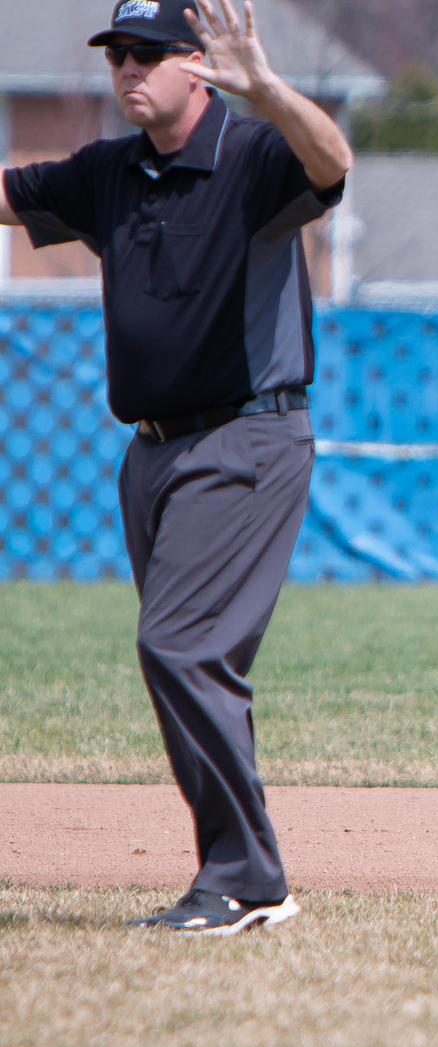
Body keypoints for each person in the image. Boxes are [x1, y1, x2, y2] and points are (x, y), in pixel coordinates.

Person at [0, 0, 352, 932]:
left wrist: (268, 88)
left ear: (196, 65)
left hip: (245, 441)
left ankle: (248, 879)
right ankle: (233, 877)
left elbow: (333, 164)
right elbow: (9, 193)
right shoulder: (111, 173)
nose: (127, 69)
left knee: (181, 646)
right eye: (117, 54)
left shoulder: (253, 154)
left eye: (147, 53)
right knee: (190, 666)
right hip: (153, 455)